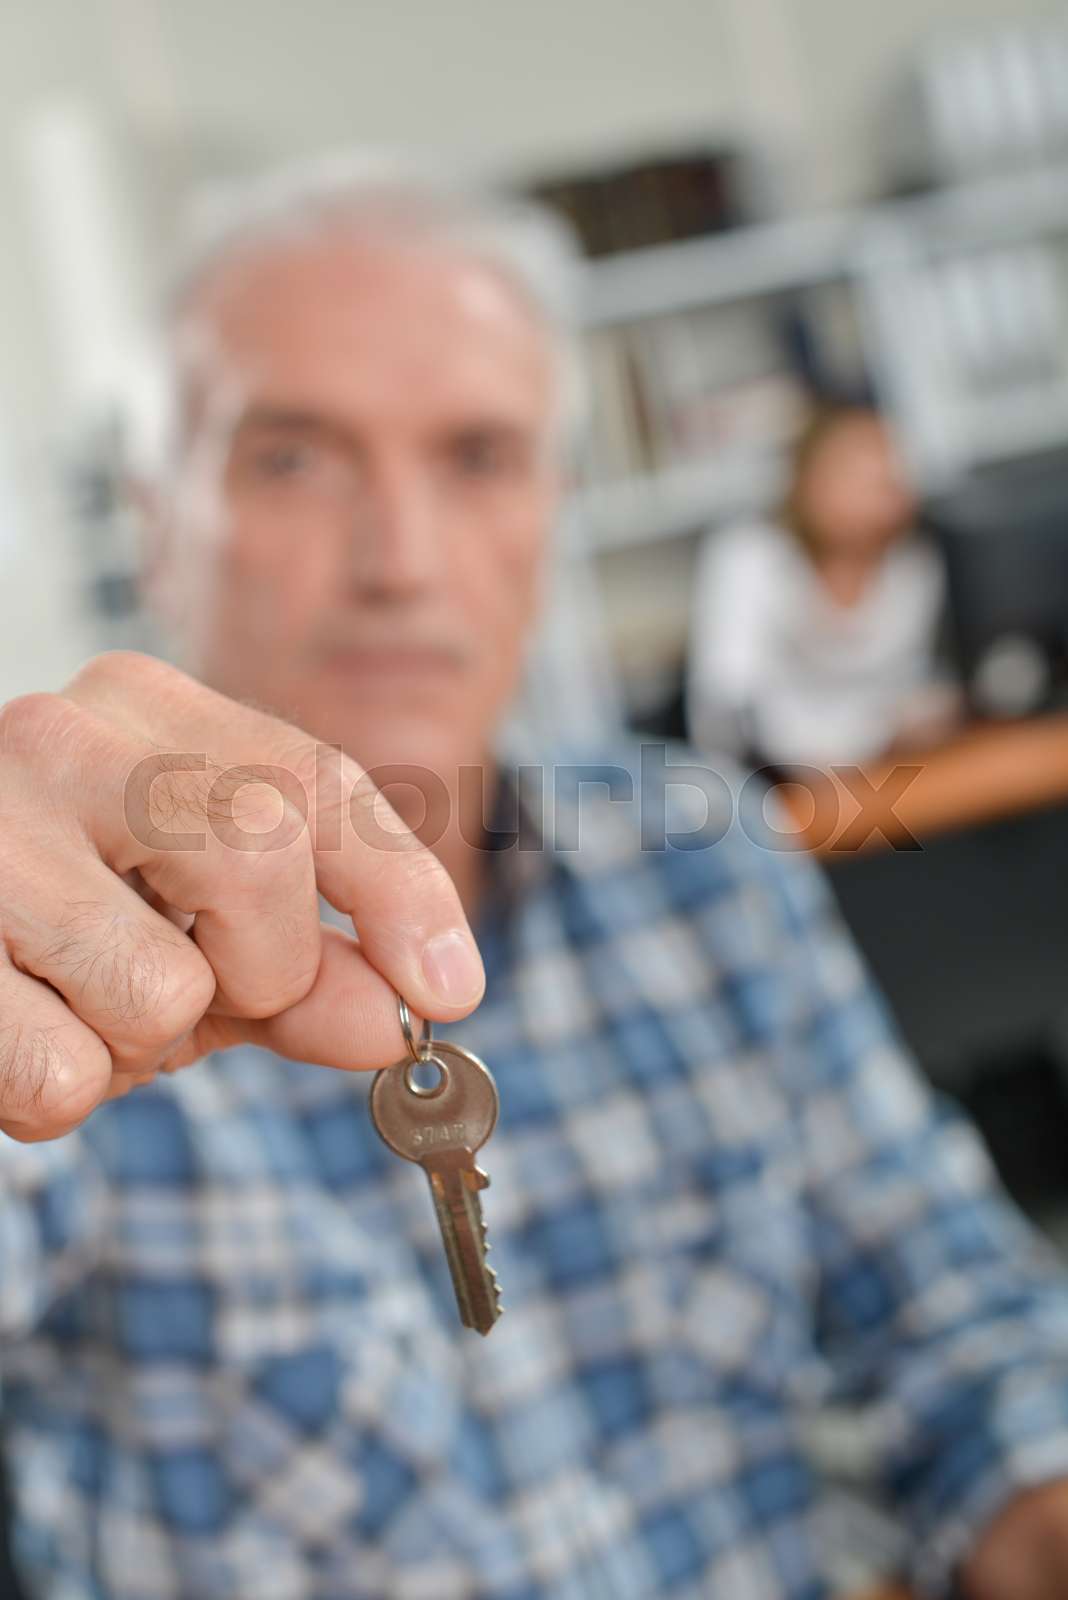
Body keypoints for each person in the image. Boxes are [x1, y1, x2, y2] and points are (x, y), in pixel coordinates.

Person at [2, 159, 1068, 1600]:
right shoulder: (55, 980)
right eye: (294, 458)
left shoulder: (705, 857)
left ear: (552, 515)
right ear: (155, 518)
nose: (401, 559)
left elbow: (953, 1317)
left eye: (479, 459)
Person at [687, 404, 962, 773]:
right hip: (775, 797)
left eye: (890, 481)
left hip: (891, 781)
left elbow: (916, 689)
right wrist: (869, 735)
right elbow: (726, 714)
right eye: (859, 478)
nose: (881, 498)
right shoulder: (749, 558)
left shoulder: (913, 567)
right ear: (807, 481)